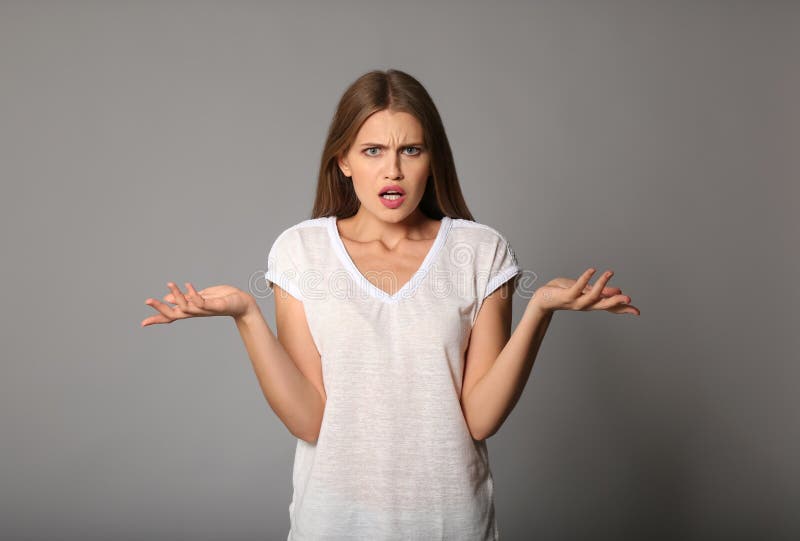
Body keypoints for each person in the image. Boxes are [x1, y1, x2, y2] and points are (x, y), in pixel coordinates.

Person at [142, 68, 640, 540]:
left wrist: (540, 312)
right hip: (333, 525)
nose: (393, 170)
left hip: (450, 524)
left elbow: (480, 418)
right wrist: (246, 316)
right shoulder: (301, 252)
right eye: (373, 150)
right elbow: (309, 420)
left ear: (432, 159)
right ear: (343, 161)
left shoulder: (480, 252)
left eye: (411, 149)